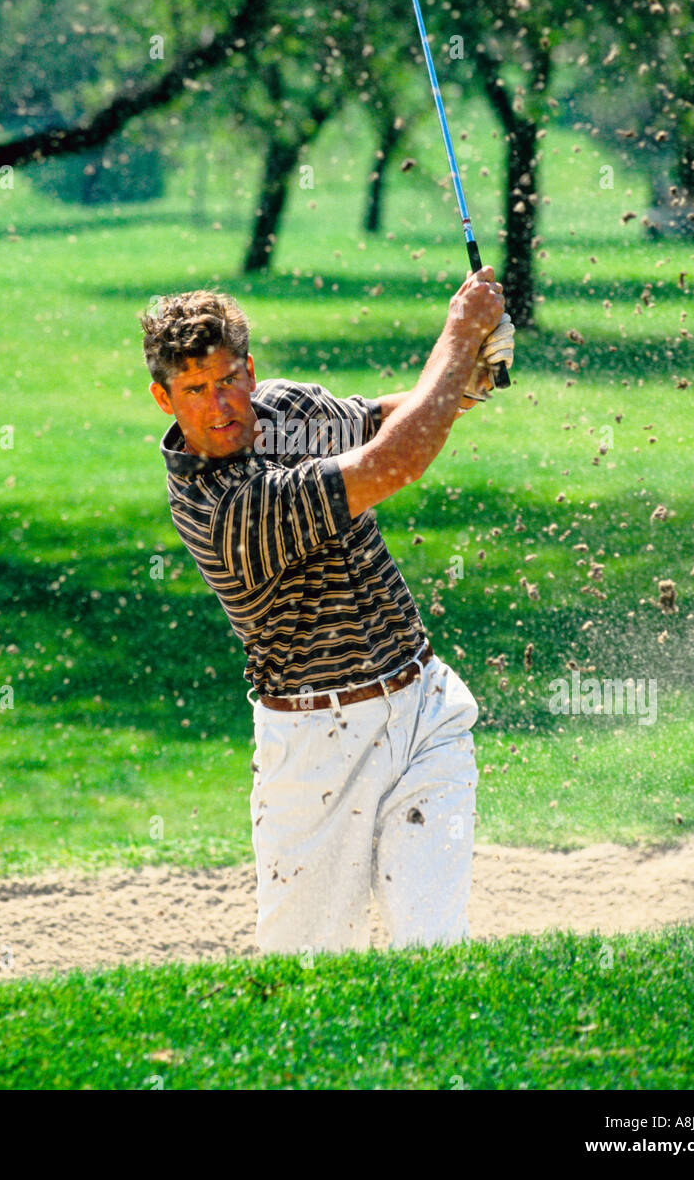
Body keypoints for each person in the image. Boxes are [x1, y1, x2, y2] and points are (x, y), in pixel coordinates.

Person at [140, 268, 513, 955]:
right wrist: (458, 336)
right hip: (317, 749)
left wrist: (471, 378)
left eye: (227, 380)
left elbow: (386, 420)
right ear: (163, 396)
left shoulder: (288, 410)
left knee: (432, 950)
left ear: (250, 372)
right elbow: (392, 462)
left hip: (424, 708)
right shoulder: (220, 506)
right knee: (308, 973)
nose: (219, 405)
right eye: (194, 390)